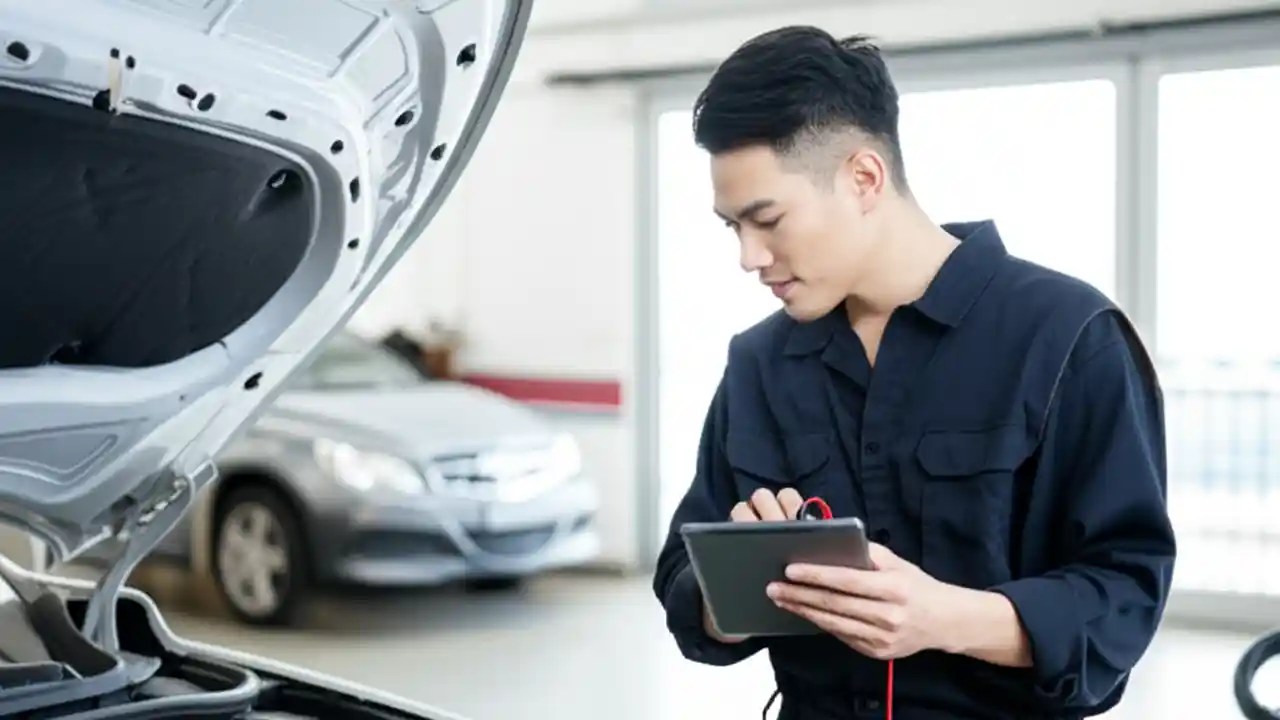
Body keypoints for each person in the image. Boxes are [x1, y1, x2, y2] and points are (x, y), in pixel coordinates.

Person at [651, 25, 1176, 720]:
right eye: (732, 227)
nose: (749, 256)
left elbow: (1125, 596)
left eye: (767, 219)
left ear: (864, 178)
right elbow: (681, 583)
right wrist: (745, 585)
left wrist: (946, 617)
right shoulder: (759, 365)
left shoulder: (1069, 337)